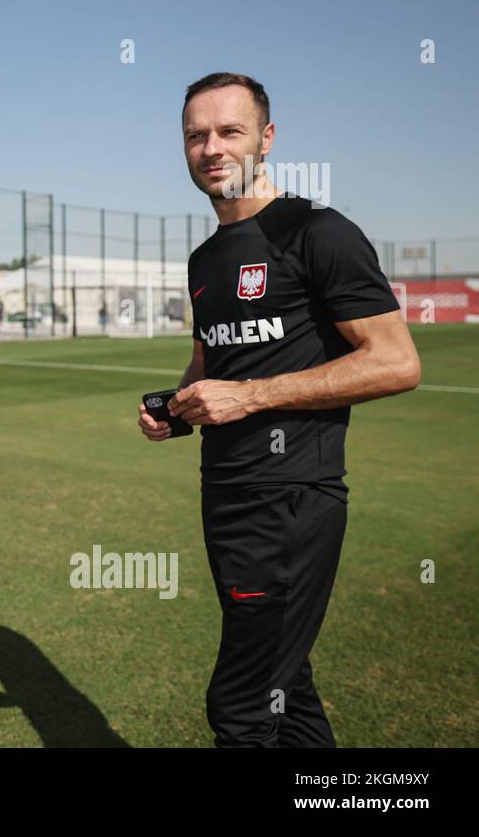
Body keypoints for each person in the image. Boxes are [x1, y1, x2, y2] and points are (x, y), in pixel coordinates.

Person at [138, 73, 419, 747]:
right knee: (285, 694)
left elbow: (396, 362)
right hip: (227, 493)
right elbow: (214, 363)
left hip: (291, 498)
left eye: (229, 131)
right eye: (195, 135)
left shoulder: (317, 232)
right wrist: (178, 408)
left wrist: (252, 396)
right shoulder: (207, 257)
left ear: (266, 138)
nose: (211, 148)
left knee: (240, 708)